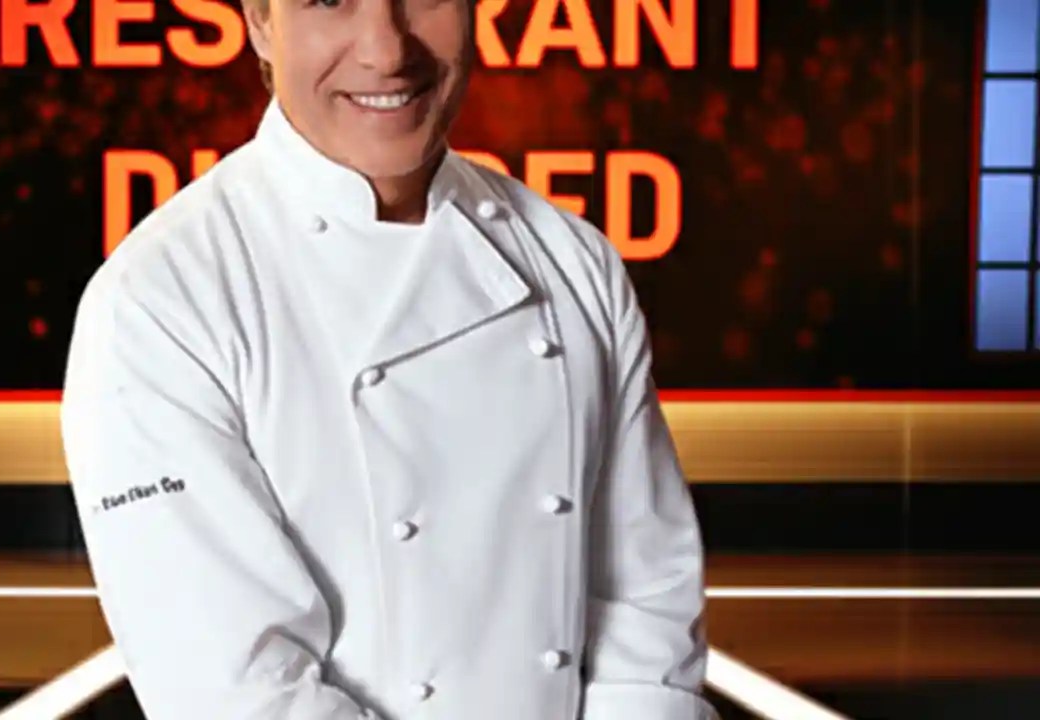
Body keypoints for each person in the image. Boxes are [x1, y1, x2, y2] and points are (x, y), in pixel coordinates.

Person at [59, 0, 717, 716]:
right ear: (259, 21)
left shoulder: (571, 259)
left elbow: (645, 609)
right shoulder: (161, 299)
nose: (387, 51)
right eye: (330, 0)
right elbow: (237, 692)